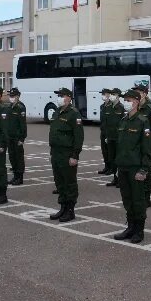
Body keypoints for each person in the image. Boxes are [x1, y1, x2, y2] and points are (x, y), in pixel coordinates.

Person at [113, 89, 151, 244]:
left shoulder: (143, 121)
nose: (126, 103)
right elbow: (120, 146)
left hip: (136, 168)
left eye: (129, 100)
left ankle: (139, 230)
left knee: (138, 200)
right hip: (123, 167)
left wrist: (144, 169)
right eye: (125, 100)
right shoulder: (123, 120)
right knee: (127, 199)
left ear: (136, 101)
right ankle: (130, 227)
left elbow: (146, 149)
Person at [48, 88, 85, 222]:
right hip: (56, 153)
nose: (59, 98)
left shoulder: (74, 114)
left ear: (69, 98)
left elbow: (78, 136)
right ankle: (63, 207)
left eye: (61, 96)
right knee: (59, 182)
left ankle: (70, 210)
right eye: (58, 95)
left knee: (69, 182)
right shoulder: (58, 111)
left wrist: (75, 155)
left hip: (67, 153)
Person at [134, 83, 151, 206]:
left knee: (146, 170)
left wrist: (149, 146)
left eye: (139, 92)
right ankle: (140, 195)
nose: (137, 94)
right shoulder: (135, 107)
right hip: (135, 145)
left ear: (144, 94)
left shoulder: (150, 108)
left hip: (146, 144)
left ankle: (147, 196)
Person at [5, 87, 27, 185]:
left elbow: (23, 125)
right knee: (12, 157)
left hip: (17, 137)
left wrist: (22, 138)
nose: (11, 97)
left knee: (18, 158)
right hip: (10, 136)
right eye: (10, 96)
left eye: (13, 96)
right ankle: (15, 175)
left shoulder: (20, 107)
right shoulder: (10, 107)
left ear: (18, 96)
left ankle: (20, 177)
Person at [103, 88, 125, 187]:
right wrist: (107, 136)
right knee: (112, 159)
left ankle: (121, 179)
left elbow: (123, 125)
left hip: (119, 138)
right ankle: (115, 178)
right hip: (110, 137)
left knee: (119, 159)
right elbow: (107, 124)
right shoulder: (108, 107)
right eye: (111, 94)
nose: (111, 96)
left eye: (114, 94)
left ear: (118, 96)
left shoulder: (122, 108)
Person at [98, 88, 113, 175]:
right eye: (102, 94)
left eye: (105, 94)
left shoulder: (112, 106)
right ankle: (106, 167)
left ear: (109, 95)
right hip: (103, 132)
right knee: (104, 151)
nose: (103, 96)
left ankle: (111, 168)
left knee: (110, 151)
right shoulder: (102, 106)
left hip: (110, 132)